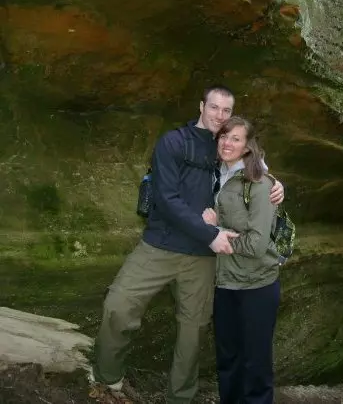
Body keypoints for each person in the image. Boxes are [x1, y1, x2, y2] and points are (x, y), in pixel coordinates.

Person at [90, 86, 284, 404]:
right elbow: (166, 198)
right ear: (201, 106)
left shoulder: (226, 148)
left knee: (192, 334)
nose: (219, 116)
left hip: (204, 258)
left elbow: (253, 170)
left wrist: (277, 183)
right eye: (214, 107)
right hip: (160, 245)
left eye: (226, 110)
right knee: (118, 306)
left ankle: (180, 398)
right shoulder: (173, 142)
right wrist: (211, 233)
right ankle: (108, 379)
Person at [202, 116, 281, 404]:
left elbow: (258, 245)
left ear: (248, 146)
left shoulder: (260, 185)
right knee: (228, 361)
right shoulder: (215, 175)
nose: (227, 143)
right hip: (225, 284)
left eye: (236, 138)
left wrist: (216, 231)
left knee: (255, 365)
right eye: (224, 136)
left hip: (256, 286)